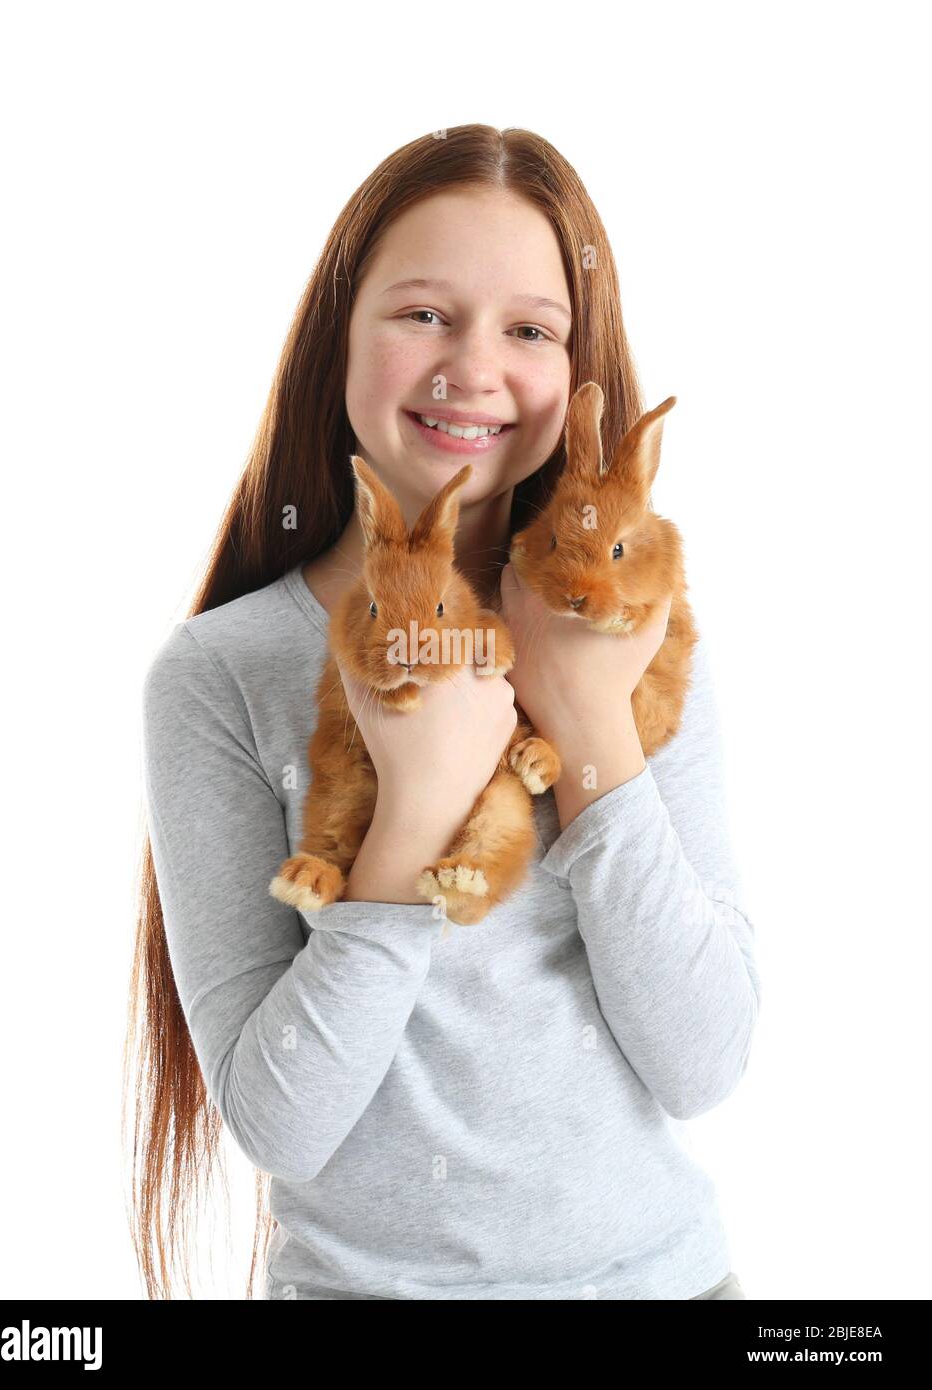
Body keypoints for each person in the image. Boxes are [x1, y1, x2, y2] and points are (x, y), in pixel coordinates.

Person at [126, 124, 761, 1301]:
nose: (472, 367)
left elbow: (704, 1060)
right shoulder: (219, 674)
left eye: (528, 329)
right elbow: (280, 1124)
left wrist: (592, 725)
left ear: (577, 381)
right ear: (341, 336)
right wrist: (411, 809)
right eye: (423, 313)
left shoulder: (645, 640)